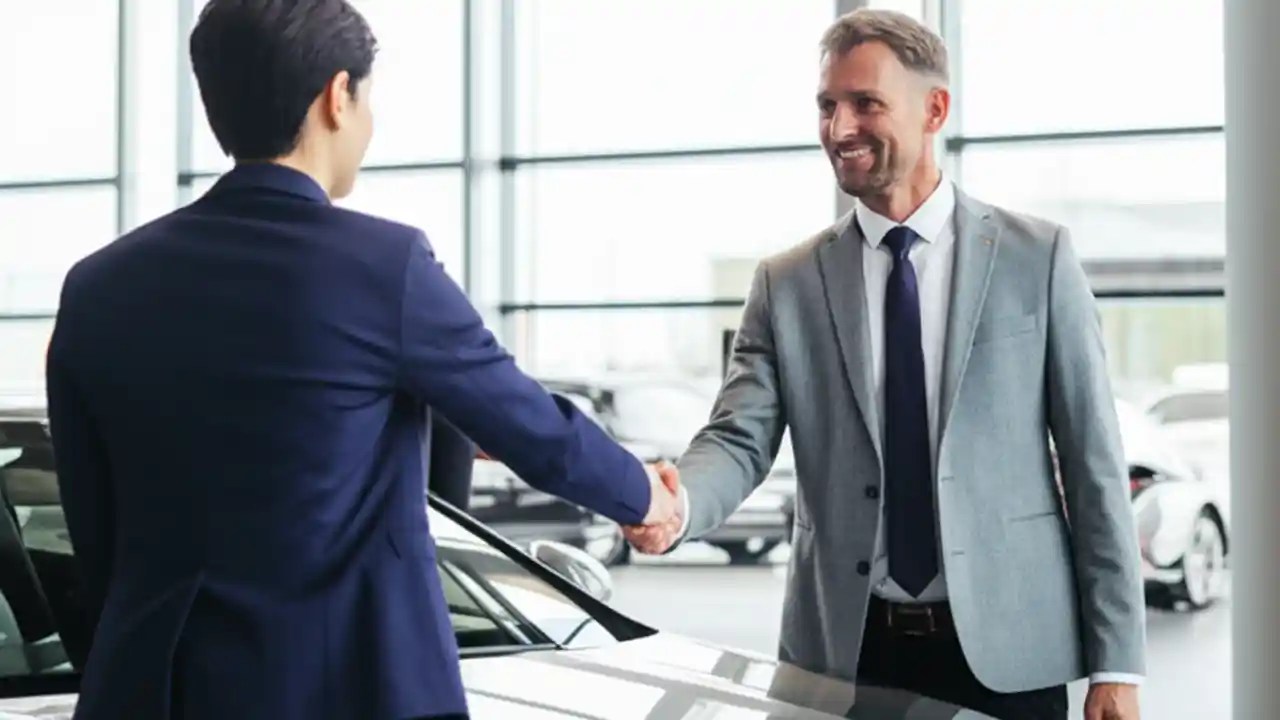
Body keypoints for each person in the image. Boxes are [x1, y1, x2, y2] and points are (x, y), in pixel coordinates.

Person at [43, 1, 678, 718]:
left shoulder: (97, 286)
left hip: (149, 688)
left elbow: (90, 529)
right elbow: (526, 424)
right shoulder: (382, 267)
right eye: (368, 98)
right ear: (337, 97)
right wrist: (646, 497)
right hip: (346, 687)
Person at [628, 9, 1144, 720]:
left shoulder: (1038, 258)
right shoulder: (787, 282)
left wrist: (1117, 663)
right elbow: (737, 440)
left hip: (1011, 651)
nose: (840, 129)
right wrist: (678, 502)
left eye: (865, 103)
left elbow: (1093, 464)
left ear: (935, 109)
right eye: (827, 106)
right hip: (845, 652)